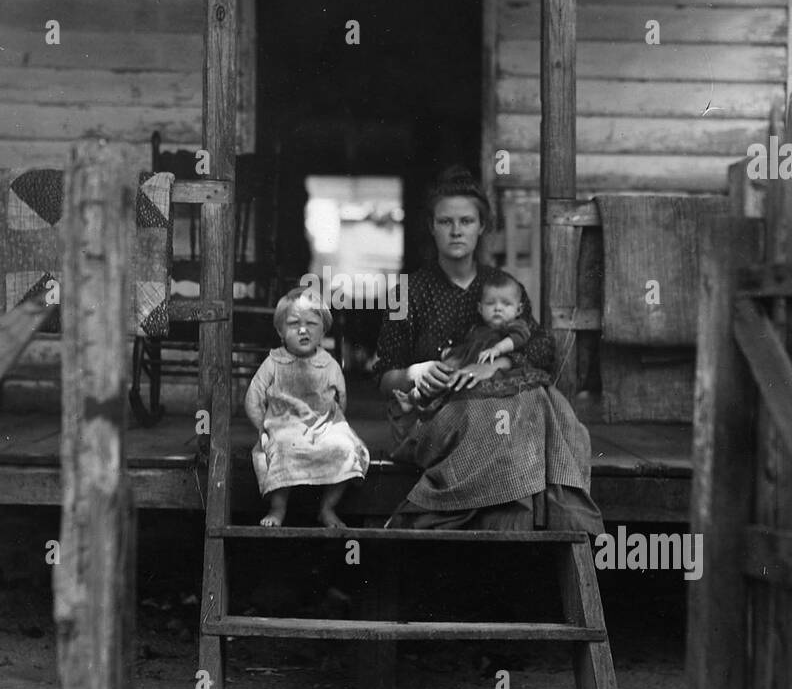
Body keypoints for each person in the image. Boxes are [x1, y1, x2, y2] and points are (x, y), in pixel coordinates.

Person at [375, 167, 603, 533]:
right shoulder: (407, 292)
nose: (456, 230)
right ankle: (514, 524)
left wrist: (497, 363)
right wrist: (416, 372)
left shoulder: (499, 286)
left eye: (466, 220)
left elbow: (542, 345)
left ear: (482, 226)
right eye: (445, 221)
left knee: (537, 401)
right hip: (436, 413)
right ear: (431, 226)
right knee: (514, 414)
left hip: (496, 408)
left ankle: (511, 526)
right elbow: (387, 378)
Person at [246, 287, 370, 527]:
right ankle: (278, 508)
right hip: (285, 425)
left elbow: (341, 399)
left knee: (344, 447)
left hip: (323, 424)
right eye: (293, 324)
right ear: (281, 331)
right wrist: (261, 428)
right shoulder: (273, 362)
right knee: (281, 449)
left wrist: (334, 424)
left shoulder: (328, 364)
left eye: (311, 324)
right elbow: (254, 397)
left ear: (323, 330)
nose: (303, 330)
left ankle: (327, 508)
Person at [390, 270, 533, 423]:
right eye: (491, 303)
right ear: (480, 308)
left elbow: (519, 337)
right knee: (441, 377)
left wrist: (498, 349)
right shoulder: (477, 330)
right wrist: (452, 352)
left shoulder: (514, 326)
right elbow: (467, 347)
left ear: (519, 309)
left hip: (488, 373)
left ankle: (416, 401)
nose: (498, 308)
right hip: (464, 366)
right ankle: (412, 398)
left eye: (506, 304)